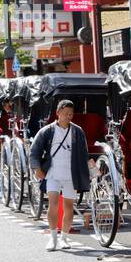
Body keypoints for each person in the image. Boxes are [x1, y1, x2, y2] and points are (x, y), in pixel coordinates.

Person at [30, 99, 92, 252]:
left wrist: (92, 167)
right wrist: (37, 168)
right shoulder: (47, 131)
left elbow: (84, 153)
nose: (68, 117)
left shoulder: (77, 131)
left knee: (69, 206)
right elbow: (34, 151)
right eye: (65, 114)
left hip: (71, 174)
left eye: (71, 114)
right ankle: (53, 237)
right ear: (57, 113)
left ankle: (64, 237)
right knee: (53, 203)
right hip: (53, 173)